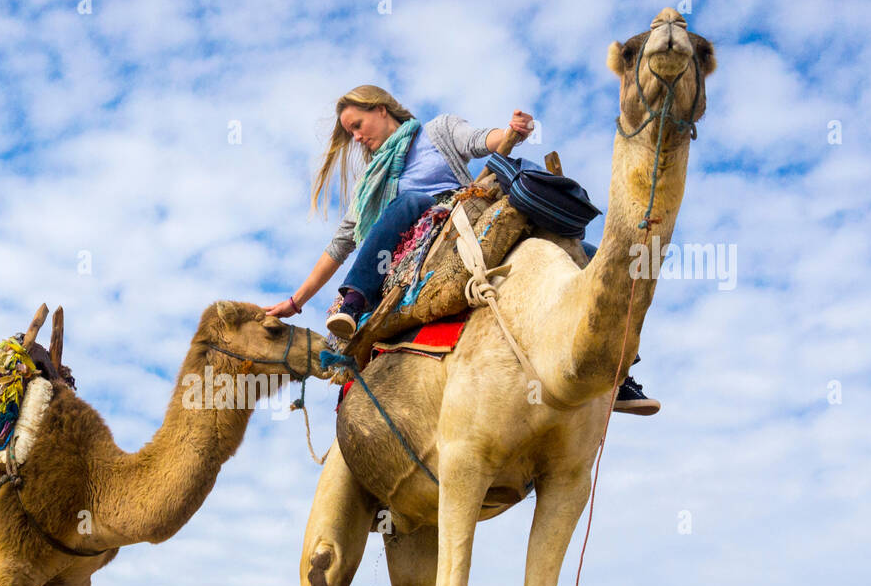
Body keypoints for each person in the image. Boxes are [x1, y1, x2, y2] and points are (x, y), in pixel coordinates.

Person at [262, 85, 659, 415]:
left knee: (587, 255)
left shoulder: (437, 131)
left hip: (468, 217)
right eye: (349, 133)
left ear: (380, 109)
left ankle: (619, 375)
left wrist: (511, 135)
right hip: (412, 244)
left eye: (357, 125)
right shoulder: (371, 184)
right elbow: (340, 244)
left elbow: (482, 142)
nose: (356, 137)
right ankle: (352, 303)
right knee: (410, 203)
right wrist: (296, 302)